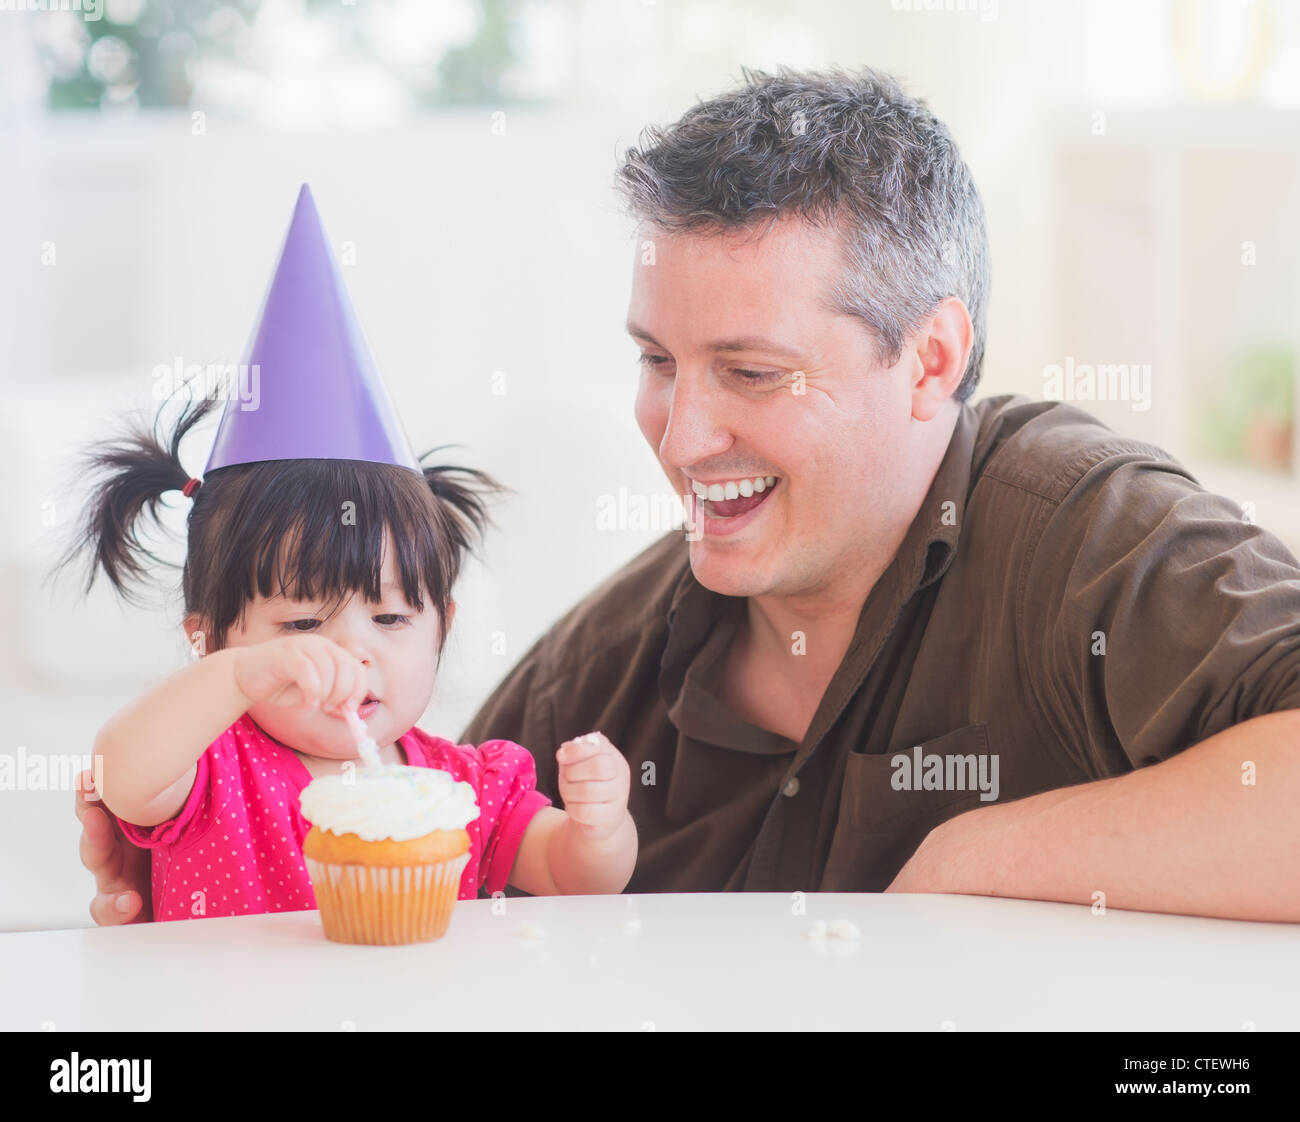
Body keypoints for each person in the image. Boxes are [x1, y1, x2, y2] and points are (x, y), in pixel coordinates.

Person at [80, 66, 1300, 925]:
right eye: (656, 361)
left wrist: (973, 857)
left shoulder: (1079, 539)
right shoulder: (605, 671)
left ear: (929, 360)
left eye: (752, 372)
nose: (680, 430)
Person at [65, 185, 636, 923]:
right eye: (300, 627)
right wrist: (241, 678)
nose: (349, 653)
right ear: (208, 640)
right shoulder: (211, 771)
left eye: (392, 618)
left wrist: (600, 826)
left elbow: (575, 877)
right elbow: (123, 771)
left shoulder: (458, 790)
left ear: (444, 626)